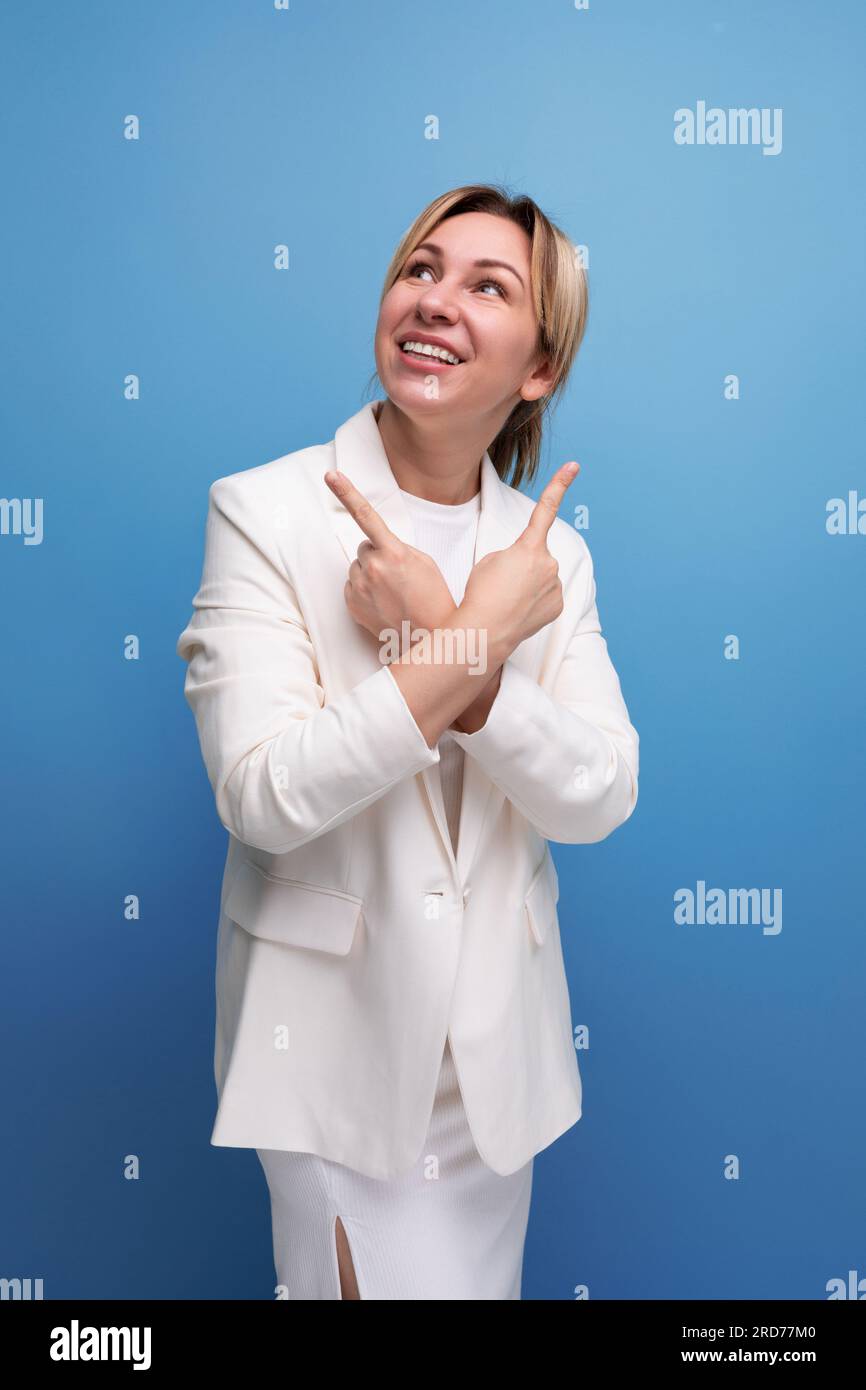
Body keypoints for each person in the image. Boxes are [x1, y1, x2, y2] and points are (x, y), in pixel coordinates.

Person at [176, 183, 639, 1300]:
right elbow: (264, 792)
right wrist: (467, 640)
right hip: (334, 1046)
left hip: (493, 1064)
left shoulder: (550, 562)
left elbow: (599, 792)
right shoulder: (263, 511)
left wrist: (453, 662)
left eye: (487, 287)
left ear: (538, 368)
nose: (434, 302)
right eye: (419, 271)